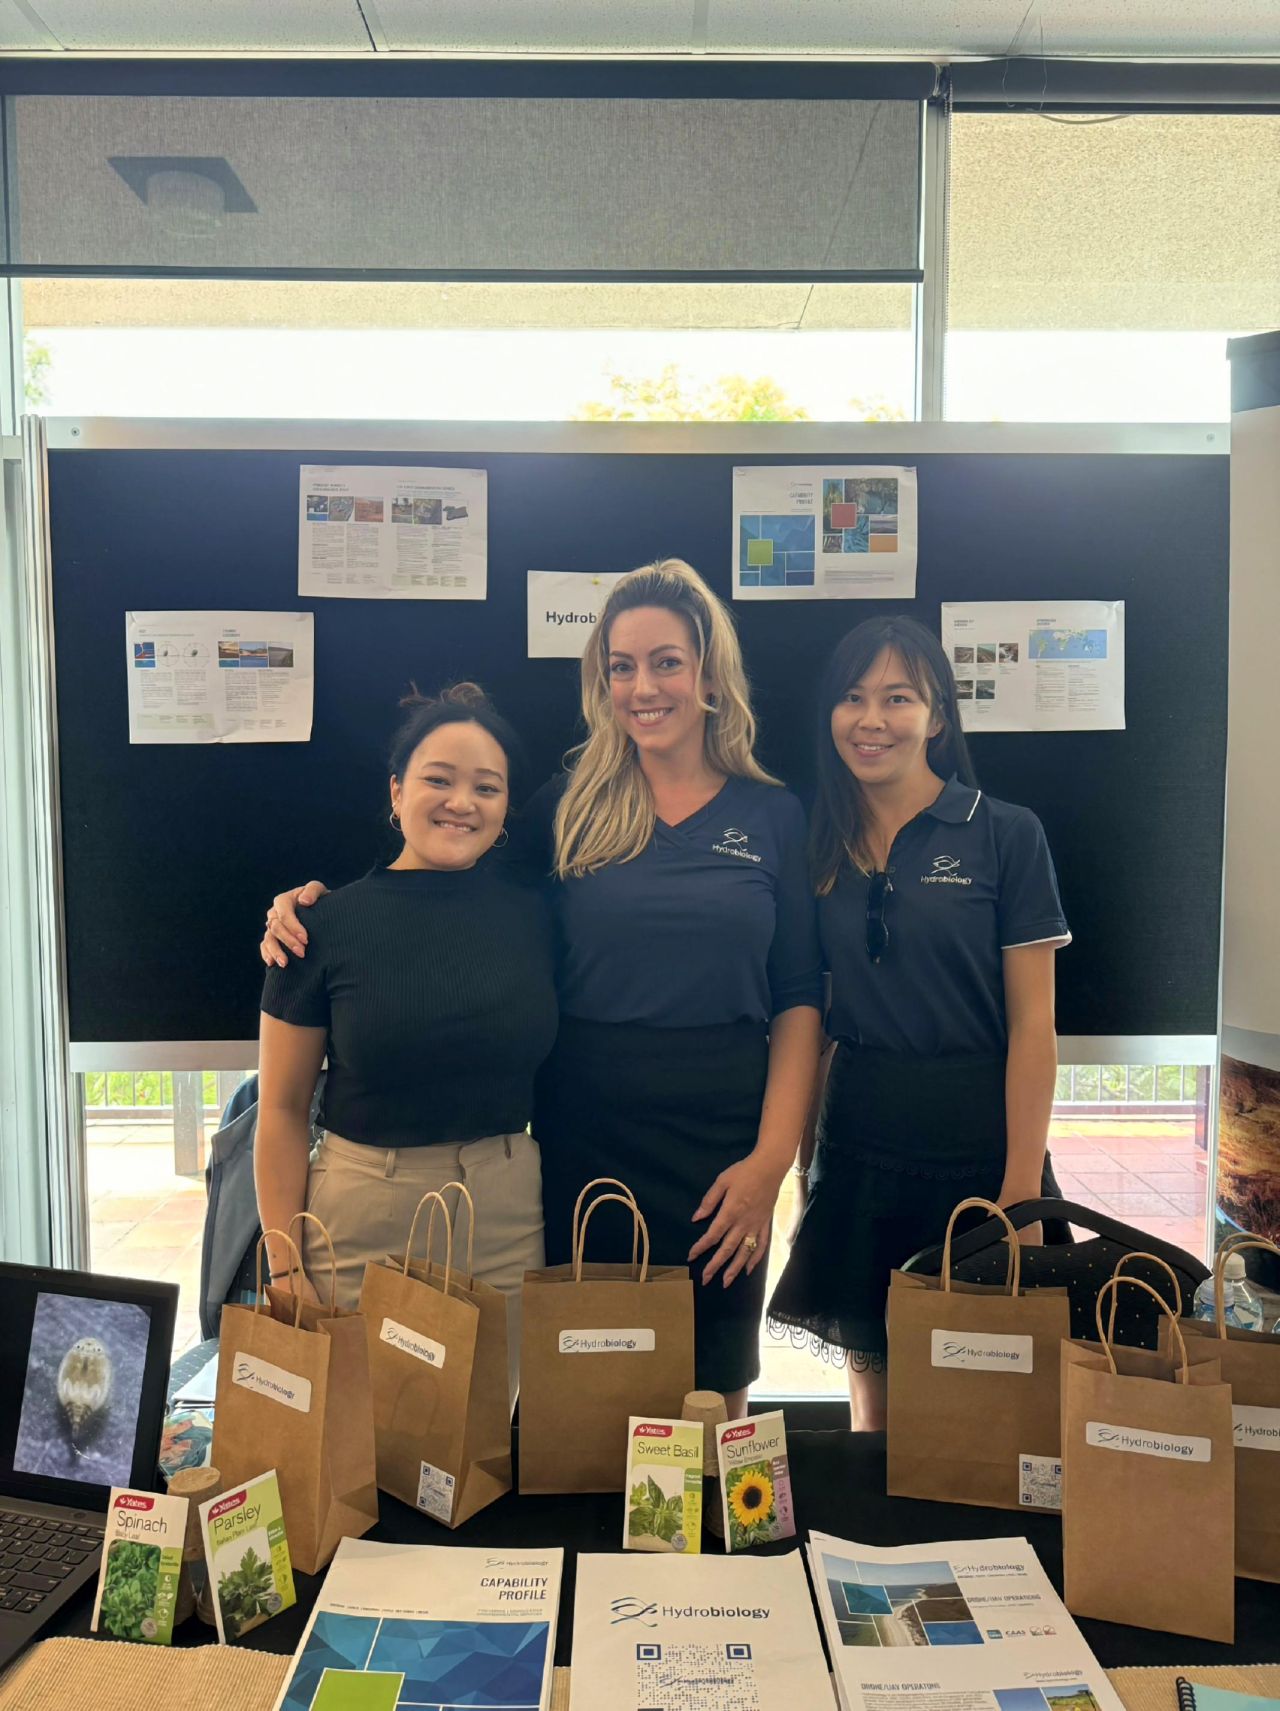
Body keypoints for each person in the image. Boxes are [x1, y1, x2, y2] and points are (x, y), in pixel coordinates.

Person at [526, 559, 823, 1418]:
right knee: (590, 1396)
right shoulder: (566, 807)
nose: (642, 685)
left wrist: (770, 1166)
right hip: (585, 1143)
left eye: (665, 661)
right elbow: (452, 888)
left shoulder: (775, 816)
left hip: (722, 1154)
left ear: (708, 674)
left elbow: (800, 997)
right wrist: (315, 903)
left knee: (712, 1399)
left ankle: (708, 1563)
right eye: (621, 666)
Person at [768, 615, 1071, 1431]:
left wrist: (1018, 1191)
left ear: (937, 715)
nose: (872, 719)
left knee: (985, 1407)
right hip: (860, 1147)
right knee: (877, 1409)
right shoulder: (815, 843)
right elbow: (817, 1024)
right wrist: (802, 1172)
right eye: (853, 698)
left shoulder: (1007, 834)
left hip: (980, 1147)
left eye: (897, 697)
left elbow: (1035, 1029)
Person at [256, 683, 557, 1396]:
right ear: (396, 792)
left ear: (507, 808)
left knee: (485, 1445)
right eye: (439, 779)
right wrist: (285, 1264)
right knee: (358, 1444)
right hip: (360, 1220)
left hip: (506, 1211)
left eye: (487, 786)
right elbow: (282, 1110)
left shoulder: (539, 917)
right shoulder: (320, 926)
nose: (463, 801)